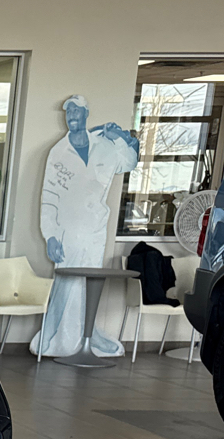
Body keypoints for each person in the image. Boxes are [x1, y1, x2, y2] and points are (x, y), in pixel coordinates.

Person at [30, 95, 141, 358]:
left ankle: (85, 338)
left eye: (77, 112)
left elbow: (129, 162)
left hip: (94, 230)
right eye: (69, 113)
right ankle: (57, 340)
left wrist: (120, 137)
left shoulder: (104, 147)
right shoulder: (58, 153)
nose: (72, 117)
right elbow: (49, 197)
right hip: (67, 231)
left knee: (88, 284)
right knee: (66, 283)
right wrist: (51, 237)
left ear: (86, 113)